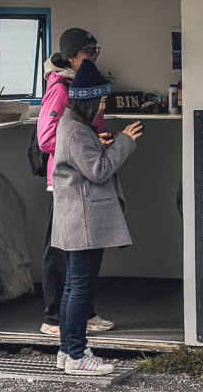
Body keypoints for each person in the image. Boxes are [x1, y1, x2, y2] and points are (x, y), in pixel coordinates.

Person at [50, 59, 144, 374]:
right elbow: (98, 169)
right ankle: (77, 357)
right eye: (101, 101)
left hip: (77, 218)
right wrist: (124, 142)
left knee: (73, 287)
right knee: (80, 288)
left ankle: (68, 349)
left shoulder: (74, 125)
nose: (103, 106)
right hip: (84, 220)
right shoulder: (75, 130)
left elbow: (83, 158)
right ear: (88, 99)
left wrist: (99, 142)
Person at [36, 28, 115, 336]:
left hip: (87, 179)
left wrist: (96, 139)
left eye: (96, 49)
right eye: (87, 52)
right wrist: (87, 140)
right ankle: (52, 317)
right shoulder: (60, 88)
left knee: (85, 250)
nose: (93, 56)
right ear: (71, 58)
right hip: (63, 182)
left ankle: (85, 312)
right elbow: (45, 139)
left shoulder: (85, 85)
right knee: (59, 251)